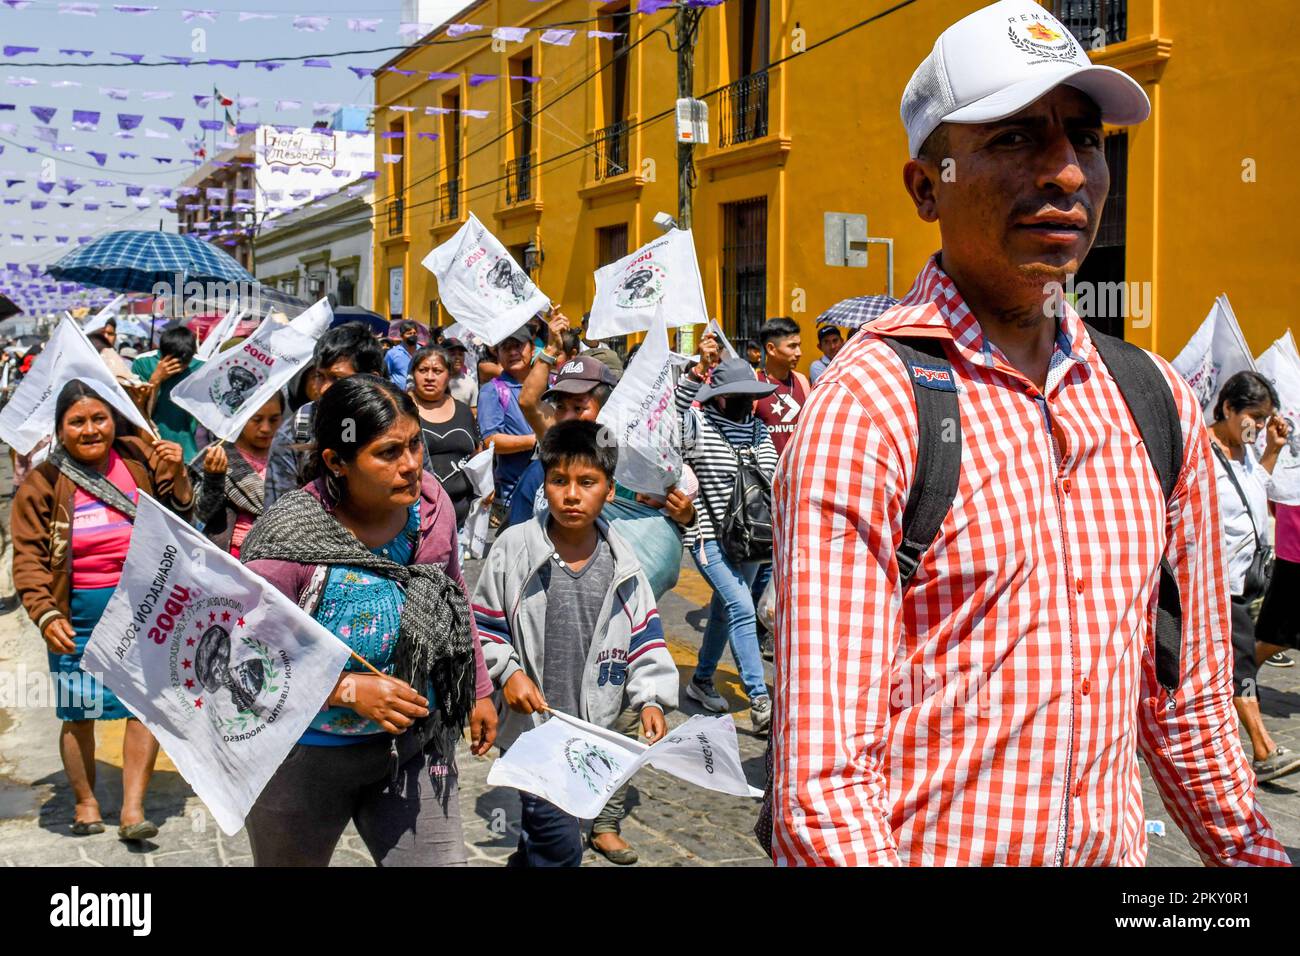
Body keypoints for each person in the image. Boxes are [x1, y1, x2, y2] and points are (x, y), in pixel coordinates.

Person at [772, 0, 1286, 866]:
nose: (1068, 174)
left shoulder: (1150, 400)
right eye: (1014, 138)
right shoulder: (870, 408)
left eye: (1084, 138)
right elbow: (821, 791)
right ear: (926, 185)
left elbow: (1188, 710)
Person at [239, 374, 498, 866]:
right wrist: (348, 691)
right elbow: (247, 661)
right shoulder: (287, 541)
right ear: (337, 461)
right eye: (388, 453)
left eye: (415, 444)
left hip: (413, 745)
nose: (411, 465)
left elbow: (452, 591)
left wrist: (480, 689)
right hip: (301, 755)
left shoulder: (431, 504)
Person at [473, 420, 677, 867]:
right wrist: (508, 672)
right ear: (544, 484)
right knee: (561, 846)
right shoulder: (514, 547)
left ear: (609, 488)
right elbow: (484, 626)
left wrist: (652, 700)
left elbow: (645, 639)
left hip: (593, 730)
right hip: (533, 732)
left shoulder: (623, 561)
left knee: (544, 838)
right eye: (559, 480)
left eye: (587, 482)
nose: (570, 494)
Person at [11, 380, 193, 842]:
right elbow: (28, 557)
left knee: (144, 706)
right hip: (77, 618)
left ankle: (133, 809)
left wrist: (182, 474)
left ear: (114, 420)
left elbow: (182, 516)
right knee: (78, 711)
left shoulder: (141, 459)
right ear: (60, 429)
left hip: (146, 608)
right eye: (77, 422)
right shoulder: (43, 483)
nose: (90, 429)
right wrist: (45, 613)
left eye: (99, 418)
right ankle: (86, 802)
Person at [675, 338, 777, 733]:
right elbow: (671, 420)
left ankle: (702, 680)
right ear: (717, 396)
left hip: (752, 543)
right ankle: (761, 699)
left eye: (751, 394)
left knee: (723, 610)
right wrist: (690, 378)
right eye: (737, 394)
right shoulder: (699, 426)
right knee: (740, 608)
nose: (746, 401)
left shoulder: (760, 432)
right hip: (709, 538)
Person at [1207, 371, 1298, 781]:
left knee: (1226, 668)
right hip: (1214, 585)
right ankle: (1262, 749)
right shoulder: (1203, 452)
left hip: (1243, 581)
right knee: (1243, 668)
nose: (1259, 427)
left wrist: (1273, 450)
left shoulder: (1241, 451)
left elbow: (1251, 488)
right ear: (1228, 407)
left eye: (1264, 420)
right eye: (1254, 417)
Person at [263, 321, 385, 508]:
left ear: (372, 378)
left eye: (337, 378)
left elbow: (422, 493)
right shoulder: (297, 429)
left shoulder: (397, 422)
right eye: (319, 376)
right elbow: (278, 511)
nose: (323, 388)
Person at [189, 392, 284, 557]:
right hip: (229, 557)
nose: (266, 428)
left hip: (278, 557)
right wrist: (214, 478)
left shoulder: (290, 458)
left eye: (274, 419)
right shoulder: (219, 455)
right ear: (239, 417)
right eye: (256, 419)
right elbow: (199, 517)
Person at [408, 345, 483, 529]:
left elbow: (477, 453)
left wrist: (485, 487)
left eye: (437, 371)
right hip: (416, 520)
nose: (429, 377)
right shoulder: (401, 410)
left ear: (448, 375)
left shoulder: (464, 412)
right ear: (413, 373)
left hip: (461, 520)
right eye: (423, 370)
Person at [477, 326, 538, 521]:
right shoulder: (492, 391)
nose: (513, 352)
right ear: (497, 354)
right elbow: (491, 442)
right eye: (506, 347)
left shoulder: (551, 384)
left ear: (532, 349)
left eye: (518, 346)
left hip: (553, 492)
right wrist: (537, 441)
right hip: (514, 496)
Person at [130, 325, 204, 462]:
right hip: (152, 449)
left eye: (185, 362)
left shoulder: (204, 366)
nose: (179, 368)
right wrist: (155, 380)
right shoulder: (143, 363)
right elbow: (136, 412)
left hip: (191, 452)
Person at [443, 337, 479, 411]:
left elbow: (474, 411)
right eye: (452, 354)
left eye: (460, 354)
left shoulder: (470, 383)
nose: (457, 357)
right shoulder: (434, 380)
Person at [385, 319, 421, 390]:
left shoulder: (422, 351)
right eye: (409, 333)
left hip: (418, 394)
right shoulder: (392, 353)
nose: (412, 336)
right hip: (398, 395)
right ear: (402, 336)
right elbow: (385, 374)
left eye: (414, 333)